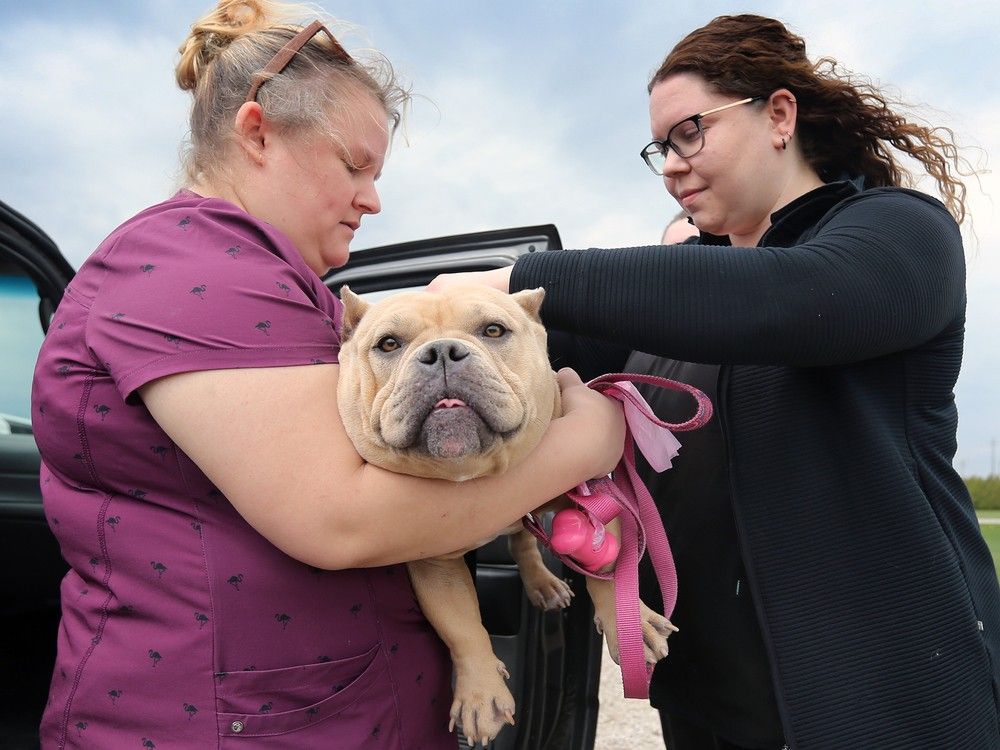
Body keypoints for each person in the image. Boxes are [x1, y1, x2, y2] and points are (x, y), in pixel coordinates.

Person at [30, 2, 624, 747]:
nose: (372, 198)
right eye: (354, 166)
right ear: (257, 133)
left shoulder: (275, 278)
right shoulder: (196, 271)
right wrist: (588, 442)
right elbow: (342, 519)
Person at [428, 13, 1000, 750]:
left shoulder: (899, 234)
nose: (669, 164)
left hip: (882, 698)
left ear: (779, 116)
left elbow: (783, 299)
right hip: (710, 711)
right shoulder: (672, 305)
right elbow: (511, 362)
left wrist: (516, 279)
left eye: (690, 132)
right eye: (659, 146)